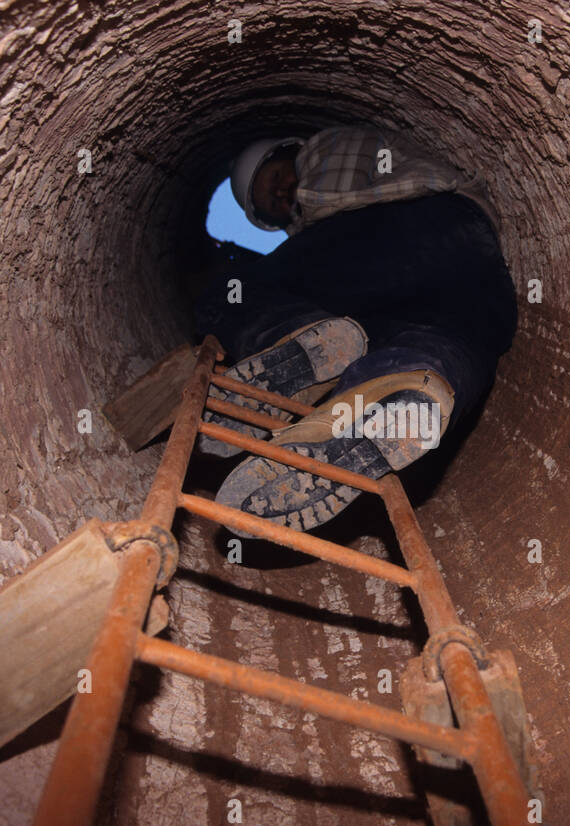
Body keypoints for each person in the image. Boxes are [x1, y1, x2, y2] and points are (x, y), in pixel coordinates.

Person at [195, 124, 517, 535]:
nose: (280, 196)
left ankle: (299, 335)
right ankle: (403, 391)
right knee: (448, 348)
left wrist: (251, 266)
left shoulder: (325, 145)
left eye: (274, 178)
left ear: (289, 151)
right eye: (270, 207)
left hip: (413, 226)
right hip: (469, 280)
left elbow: (330, 212)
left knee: (232, 289)